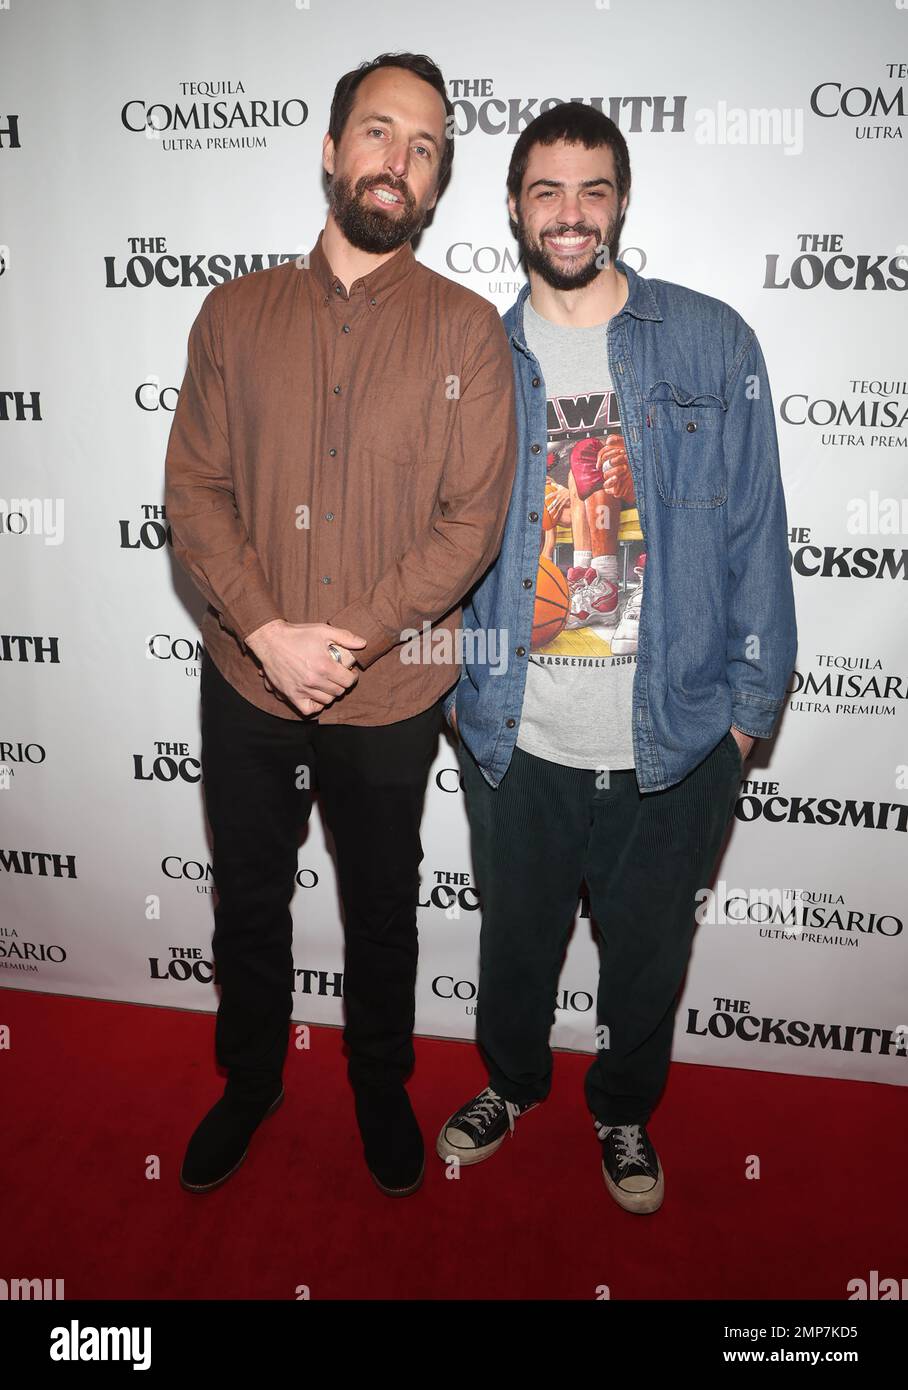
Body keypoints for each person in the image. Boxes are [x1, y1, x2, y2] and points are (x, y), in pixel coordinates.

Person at [164, 52, 517, 1198]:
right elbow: (196, 494)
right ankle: (251, 1078)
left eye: (423, 148)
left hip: (392, 693)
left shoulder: (468, 335)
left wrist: (346, 639)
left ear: (437, 179)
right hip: (245, 677)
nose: (395, 161)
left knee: (381, 908)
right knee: (251, 898)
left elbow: (468, 527)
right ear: (330, 149)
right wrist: (268, 631)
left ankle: (378, 1083)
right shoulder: (232, 313)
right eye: (376, 133)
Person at [437, 104, 797, 1214]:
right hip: (521, 733)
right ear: (511, 205)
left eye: (592, 189)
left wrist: (745, 719)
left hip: (676, 737)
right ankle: (508, 1080)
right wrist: (452, 683)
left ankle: (623, 1110)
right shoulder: (471, 358)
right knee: (514, 947)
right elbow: (430, 538)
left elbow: (752, 532)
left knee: (646, 963)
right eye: (545, 190)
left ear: (621, 201)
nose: (568, 213)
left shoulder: (708, 339)